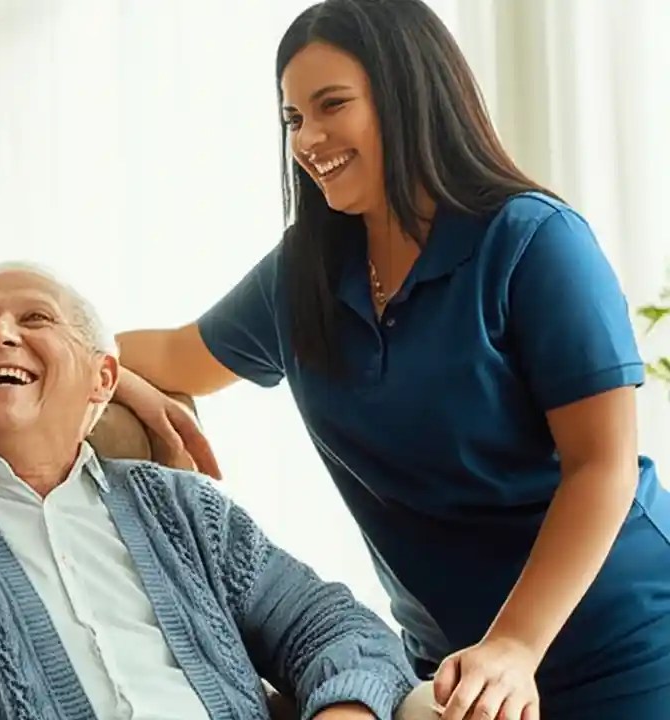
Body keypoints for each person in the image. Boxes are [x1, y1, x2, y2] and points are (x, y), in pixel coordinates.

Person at [112, 1, 670, 718]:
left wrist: (514, 647)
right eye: (291, 118)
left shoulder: (535, 242)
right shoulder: (304, 275)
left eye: (331, 105)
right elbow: (172, 354)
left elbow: (604, 465)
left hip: (622, 644)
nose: (307, 139)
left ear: (409, 93)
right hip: (458, 672)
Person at [0, 263, 436, 720]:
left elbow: (328, 623)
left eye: (35, 318)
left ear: (102, 379)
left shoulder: (183, 509)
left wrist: (345, 708)